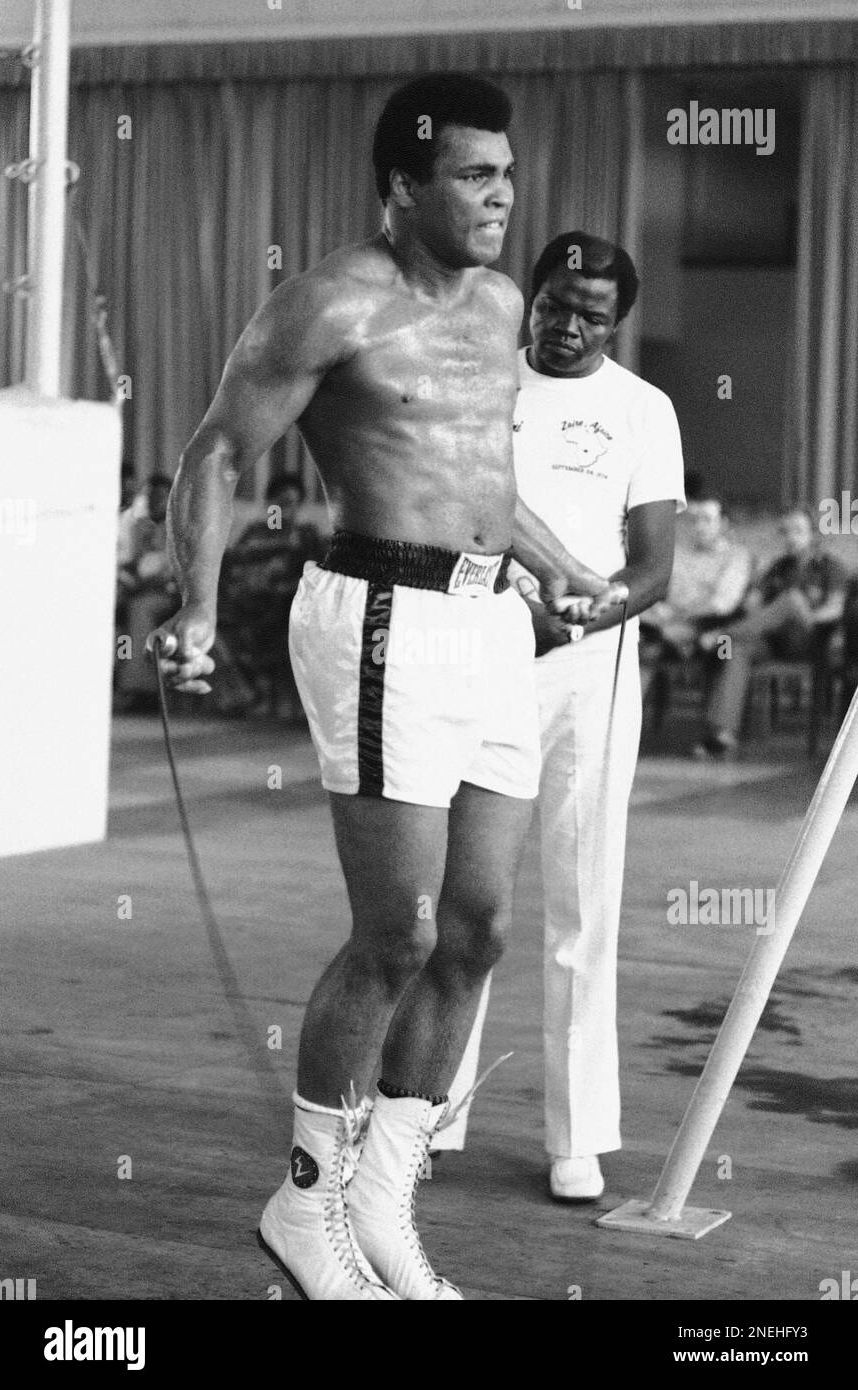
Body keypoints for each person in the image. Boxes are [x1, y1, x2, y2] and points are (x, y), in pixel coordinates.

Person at [149, 75, 627, 1300]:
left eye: (507, 175)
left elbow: (479, 476)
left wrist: (564, 568)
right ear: (402, 188)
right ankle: (305, 1207)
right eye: (473, 175)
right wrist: (196, 604)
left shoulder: (505, 301)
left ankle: (381, 1200)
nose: (500, 197)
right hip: (378, 616)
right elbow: (218, 448)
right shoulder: (329, 302)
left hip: (488, 620)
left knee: (476, 931)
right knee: (397, 932)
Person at [436, 231, 685, 1203]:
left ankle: (577, 1135)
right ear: (528, 297)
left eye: (592, 312)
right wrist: (522, 609)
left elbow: (654, 565)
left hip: (593, 672)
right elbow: (456, 508)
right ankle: (432, 1107)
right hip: (485, 652)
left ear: (618, 321)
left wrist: (588, 610)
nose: (569, 325)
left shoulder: (643, 410)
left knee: (584, 902)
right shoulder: (483, 383)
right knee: (466, 898)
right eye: (555, 304)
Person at [694, 507, 847, 759]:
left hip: (812, 640)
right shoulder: (779, 568)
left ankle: (722, 634)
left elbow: (834, 610)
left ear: (813, 534)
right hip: (774, 641)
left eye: (798, 531)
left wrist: (798, 612)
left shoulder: (830, 567)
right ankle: (722, 734)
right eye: (786, 531)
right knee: (734, 650)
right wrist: (752, 591)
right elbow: (752, 607)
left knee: (792, 600)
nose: (791, 537)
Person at [217, 476, 323, 716]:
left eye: (291, 503)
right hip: (243, 604)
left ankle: (256, 692)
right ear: (269, 504)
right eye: (279, 503)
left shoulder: (305, 535)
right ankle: (245, 692)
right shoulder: (254, 533)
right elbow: (230, 569)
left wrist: (283, 587)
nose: (285, 509)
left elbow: (315, 577)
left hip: (282, 605)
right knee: (216, 624)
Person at [643, 495, 751, 664]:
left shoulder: (736, 556)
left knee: (729, 652)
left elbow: (721, 605)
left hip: (716, 630)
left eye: (707, 520)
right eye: (694, 520)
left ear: (723, 523)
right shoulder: (679, 554)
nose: (699, 527)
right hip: (667, 627)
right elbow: (656, 589)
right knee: (637, 642)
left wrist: (676, 613)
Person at [115, 472, 177, 711]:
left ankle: (141, 689)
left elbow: (172, 570)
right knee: (124, 621)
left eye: (160, 496)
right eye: (150, 496)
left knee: (139, 611)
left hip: (167, 594)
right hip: (139, 591)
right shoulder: (138, 525)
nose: (154, 501)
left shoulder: (177, 526)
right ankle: (119, 682)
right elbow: (130, 561)